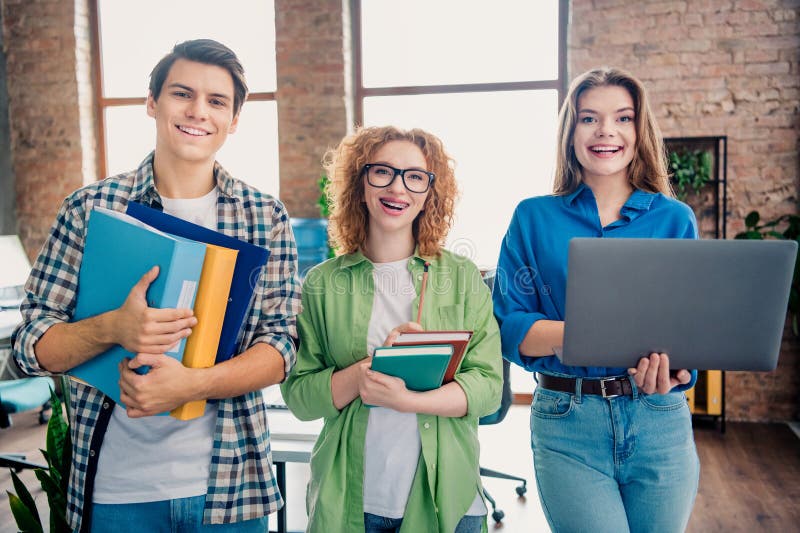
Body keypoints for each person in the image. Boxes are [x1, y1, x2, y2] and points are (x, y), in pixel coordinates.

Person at [12, 39, 300, 532]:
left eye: (216, 102)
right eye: (181, 94)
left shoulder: (264, 217)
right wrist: (114, 328)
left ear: (233, 121)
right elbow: (28, 348)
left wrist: (192, 385)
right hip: (116, 491)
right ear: (152, 102)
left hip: (230, 491)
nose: (197, 112)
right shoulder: (90, 209)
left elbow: (281, 346)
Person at [492, 67, 700, 533]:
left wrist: (682, 367)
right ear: (571, 132)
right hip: (568, 422)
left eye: (622, 118)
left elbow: (689, 327)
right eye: (590, 119)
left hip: (658, 418)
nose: (606, 130)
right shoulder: (533, 217)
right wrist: (577, 338)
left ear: (638, 130)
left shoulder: (674, 219)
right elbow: (507, 325)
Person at [281, 126, 502, 533]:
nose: (398, 187)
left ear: (429, 194)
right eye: (382, 172)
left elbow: (488, 389)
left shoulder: (462, 277)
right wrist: (366, 371)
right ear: (360, 184)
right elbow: (300, 398)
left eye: (415, 176)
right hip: (352, 501)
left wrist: (408, 399)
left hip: (446, 502)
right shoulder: (321, 284)